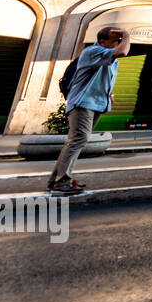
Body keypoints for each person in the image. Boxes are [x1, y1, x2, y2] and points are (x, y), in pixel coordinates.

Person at [48, 26, 131, 194]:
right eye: (115, 41)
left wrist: (111, 93)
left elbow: (103, 77)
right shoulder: (93, 51)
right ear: (102, 41)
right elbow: (123, 52)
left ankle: (56, 180)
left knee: (77, 140)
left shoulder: (107, 57)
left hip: (96, 103)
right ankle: (61, 181)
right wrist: (127, 35)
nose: (118, 44)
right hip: (83, 103)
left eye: (119, 41)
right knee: (78, 139)